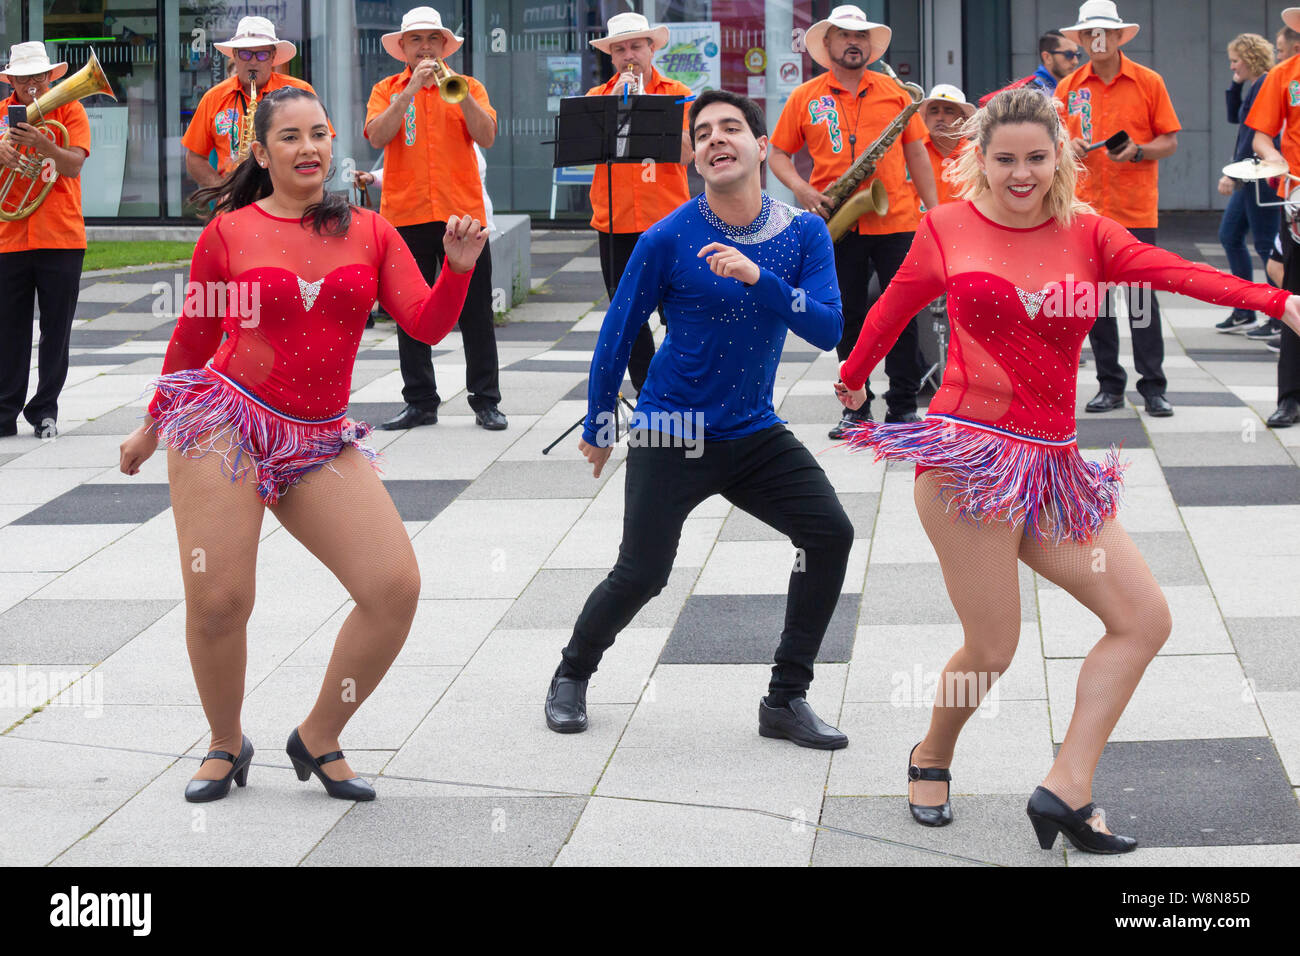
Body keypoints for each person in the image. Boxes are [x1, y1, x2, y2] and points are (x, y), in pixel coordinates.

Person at [833, 87, 1300, 854]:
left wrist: (1275, 300)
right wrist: (855, 376)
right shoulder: (945, 227)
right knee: (992, 647)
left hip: (1053, 466)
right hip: (968, 461)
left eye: (1037, 159)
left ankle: (1066, 786)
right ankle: (932, 755)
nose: (1022, 174)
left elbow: (1178, 274)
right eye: (1006, 159)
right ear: (979, 159)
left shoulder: (1090, 233)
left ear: (1061, 160)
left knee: (1143, 619)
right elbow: (891, 309)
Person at [118, 87, 486, 803]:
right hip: (224, 418)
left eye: (319, 133)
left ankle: (318, 736)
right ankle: (226, 743)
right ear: (261, 153)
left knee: (393, 589)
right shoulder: (229, 233)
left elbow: (427, 325)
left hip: (318, 436)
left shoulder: (371, 231)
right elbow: (192, 340)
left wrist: (460, 267)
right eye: (289, 137)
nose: (308, 147)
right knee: (220, 597)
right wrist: (151, 424)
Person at [544, 90, 855, 750]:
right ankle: (572, 673)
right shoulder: (668, 235)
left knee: (829, 534)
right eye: (704, 132)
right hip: (672, 429)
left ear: (762, 148)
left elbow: (828, 329)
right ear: (693, 156)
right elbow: (619, 331)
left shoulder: (803, 232)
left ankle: (785, 698)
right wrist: (600, 423)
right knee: (643, 574)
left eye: (732, 128)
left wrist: (758, 279)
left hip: (753, 428)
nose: (717, 138)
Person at [768, 4, 939, 438]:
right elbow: (777, 154)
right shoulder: (805, 96)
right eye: (844, 35)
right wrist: (803, 191)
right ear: (827, 44)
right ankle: (856, 407)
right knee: (846, 316)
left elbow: (918, 153)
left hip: (896, 218)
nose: (853, 42)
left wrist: (935, 213)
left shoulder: (896, 93)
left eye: (861, 36)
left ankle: (903, 405)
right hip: (835, 219)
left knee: (901, 314)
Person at [366, 6, 505, 432]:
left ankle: (486, 400)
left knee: (476, 311)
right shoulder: (386, 89)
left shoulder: (468, 86)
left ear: (445, 46)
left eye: (432, 40)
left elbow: (487, 136)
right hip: (404, 214)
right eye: (416, 41)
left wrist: (457, 95)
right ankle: (421, 401)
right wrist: (408, 93)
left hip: (461, 215)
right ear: (403, 49)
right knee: (411, 313)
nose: (425, 48)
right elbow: (374, 135)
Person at [1055, 0, 1181, 419]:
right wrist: (1063, 149)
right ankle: (1109, 384)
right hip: (1084, 210)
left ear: (1117, 36)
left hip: (1134, 209)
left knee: (1143, 301)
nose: (1097, 39)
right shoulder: (1068, 87)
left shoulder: (1148, 81)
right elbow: (1048, 147)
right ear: (1081, 39)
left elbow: (1170, 140)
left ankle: (1154, 387)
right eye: (1089, 32)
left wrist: (1140, 150)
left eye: (1104, 32)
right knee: (1095, 303)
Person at [585, 12, 693, 395]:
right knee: (627, 318)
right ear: (611, 57)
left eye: (635, 46)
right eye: (620, 49)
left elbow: (686, 155)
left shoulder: (679, 92)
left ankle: (684, 387)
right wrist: (614, 109)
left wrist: (648, 108)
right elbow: (585, 151)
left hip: (670, 223)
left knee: (680, 312)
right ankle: (648, 392)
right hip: (615, 222)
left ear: (651, 49)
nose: (628, 55)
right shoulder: (597, 99)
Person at [0, 41, 90, 440]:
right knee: (8, 329)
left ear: (51, 77)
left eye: (39, 76)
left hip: (61, 235)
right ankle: (4, 410)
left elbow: (73, 164)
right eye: (24, 77)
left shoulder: (70, 109)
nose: (33, 84)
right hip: (8, 237)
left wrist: (45, 145)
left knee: (57, 330)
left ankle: (44, 410)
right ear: (12, 81)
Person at [181, 16, 325, 191]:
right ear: (234, 55)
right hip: (235, 204)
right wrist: (223, 191)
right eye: (245, 53)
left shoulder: (300, 91)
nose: (253, 61)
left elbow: (322, 144)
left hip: (288, 201)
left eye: (262, 54)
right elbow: (194, 158)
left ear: (273, 57)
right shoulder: (214, 97)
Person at [1246, 7, 1300, 427]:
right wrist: (1274, 157)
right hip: (1297, 194)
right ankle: (1290, 396)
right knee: (1295, 297)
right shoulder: (1285, 74)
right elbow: (1261, 134)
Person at [1215, 34, 1280, 334]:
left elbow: (1253, 134)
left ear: (1250, 57)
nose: (1231, 66)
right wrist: (1236, 84)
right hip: (1249, 174)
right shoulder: (1254, 85)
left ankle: (1278, 314)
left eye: (1235, 60)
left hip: (1259, 175)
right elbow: (1234, 118)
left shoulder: (1266, 84)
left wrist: (1233, 174)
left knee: (1267, 244)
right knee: (1229, 235)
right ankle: (1244, 309)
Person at [978, 30, 1082, 107]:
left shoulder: (1078, 88)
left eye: (1077, 55)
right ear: (1047, 57)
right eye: (1068, 54)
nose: (1075, 61)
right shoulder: (1028, 92)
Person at [917, 84, 974, 209]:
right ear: (925, 118)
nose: (939, 118)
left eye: (949, 111)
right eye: (934, 111)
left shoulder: (976, 154)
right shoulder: (913, 152)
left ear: (963, 119)